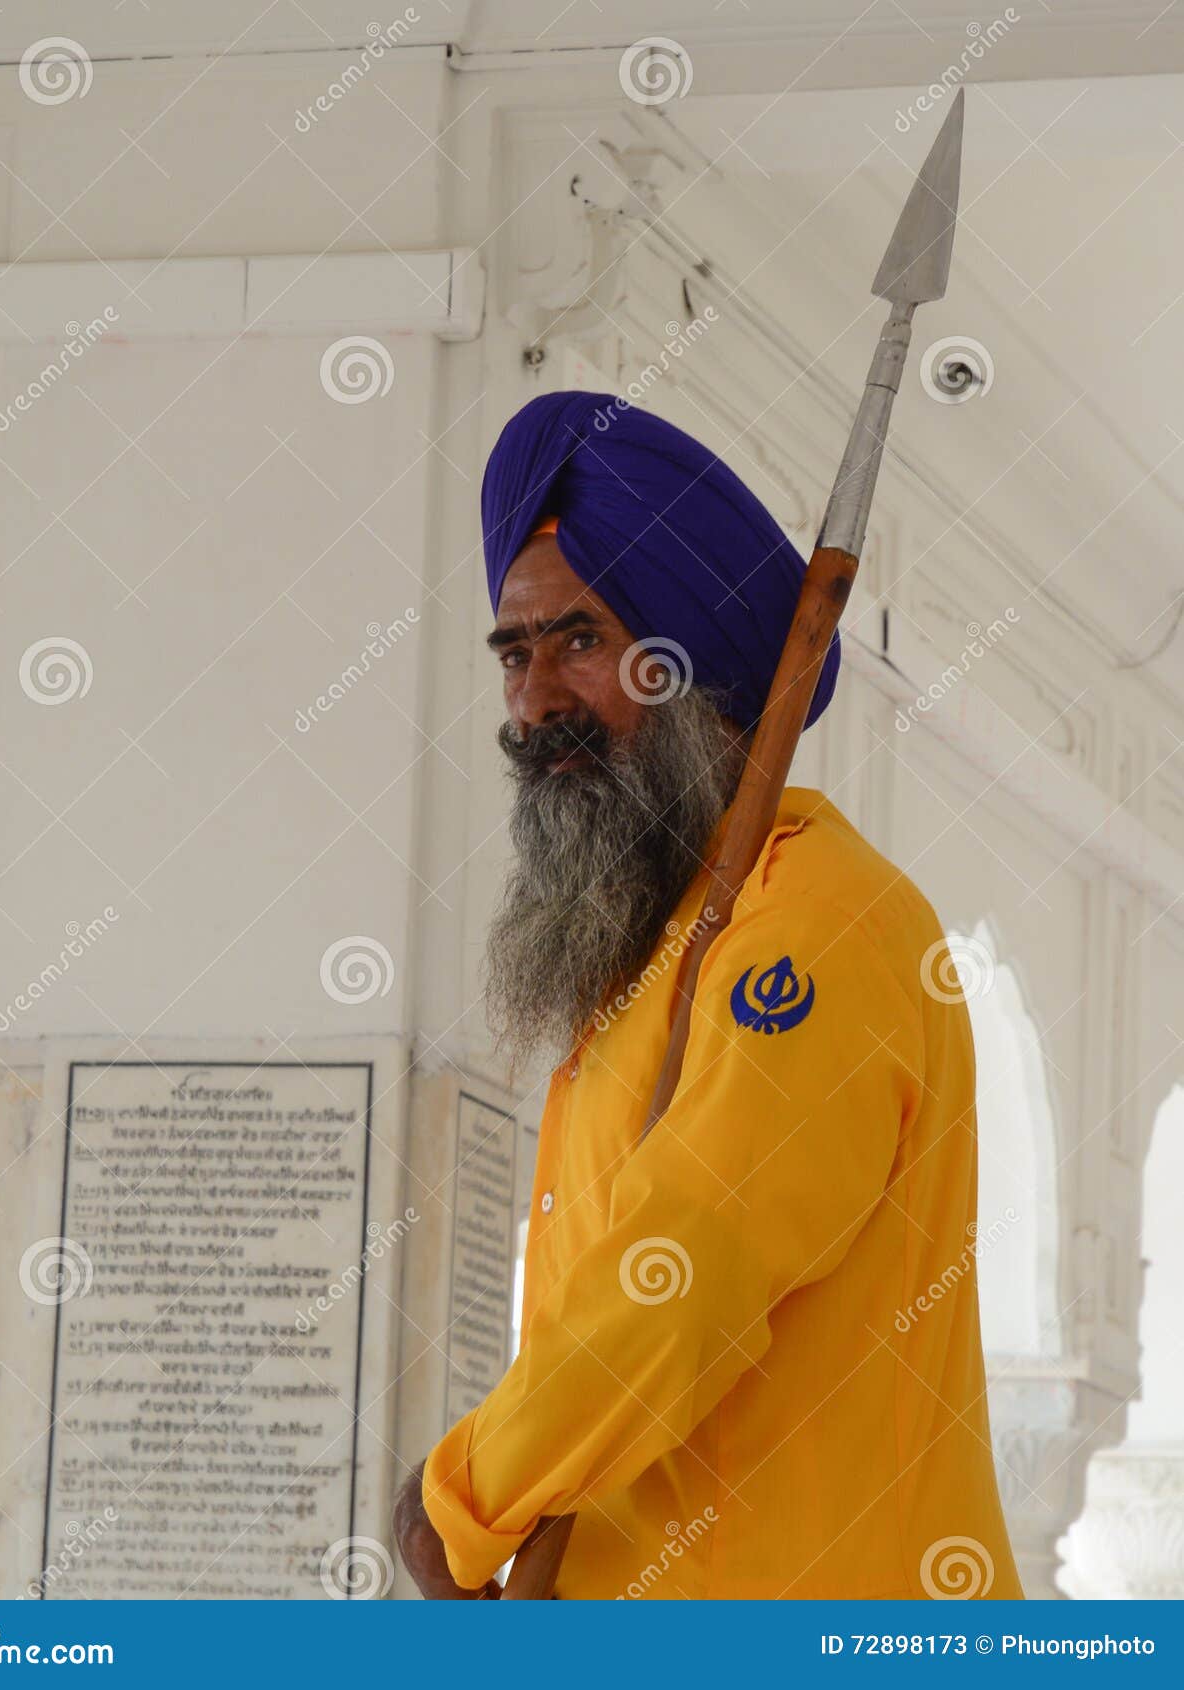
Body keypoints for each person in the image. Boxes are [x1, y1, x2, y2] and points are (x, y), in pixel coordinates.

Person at [392, 391, 1022, 1601]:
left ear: (697, 667)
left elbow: (686, 1272)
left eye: (579, 641)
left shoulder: (821, 926)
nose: (534, 701)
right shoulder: (647, 958)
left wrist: (460, 1500)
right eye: (515, 655)